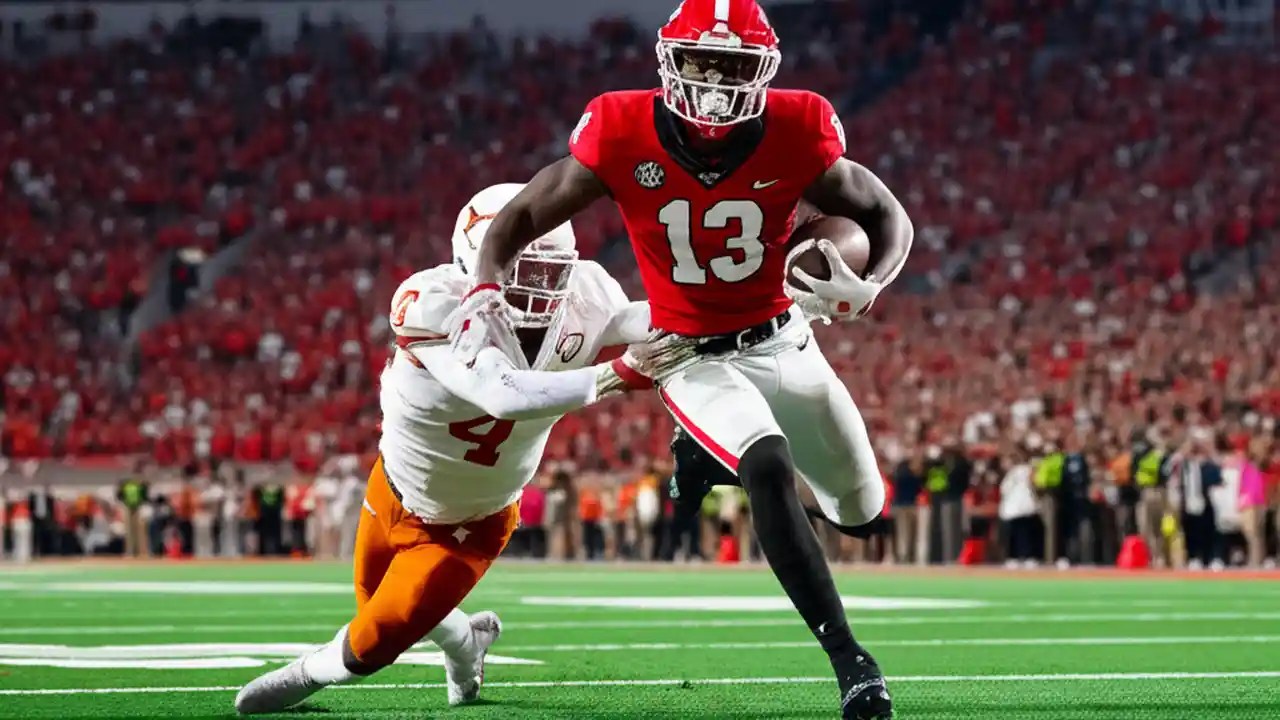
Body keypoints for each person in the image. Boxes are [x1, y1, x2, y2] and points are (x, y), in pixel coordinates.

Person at [458, 2, 911, 716]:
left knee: (861, 512)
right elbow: (518, 215)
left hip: (782, 336)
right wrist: (486, 285)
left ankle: (698, 454)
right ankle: (852, 661)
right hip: (685, 350)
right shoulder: (619, 128)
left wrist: (871, 282)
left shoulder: (799, 127)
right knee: (765, 463)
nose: (716, 83)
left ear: (763, 72)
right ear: (670, 60)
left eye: (733, 66)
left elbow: (885, 214)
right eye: (703, 62)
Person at [233, 183, 676, 715]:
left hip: (474, 520)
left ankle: (308, 673)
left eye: (547, 270)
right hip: (393, 487)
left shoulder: (589, 293)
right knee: (375, 606)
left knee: (373, 642)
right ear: (477, 259)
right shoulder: (432, 303)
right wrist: (618, 374)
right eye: (519, 268)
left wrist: (703, 323)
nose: (535, 287)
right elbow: (500, 394)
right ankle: (465, 641)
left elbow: (640, 319)